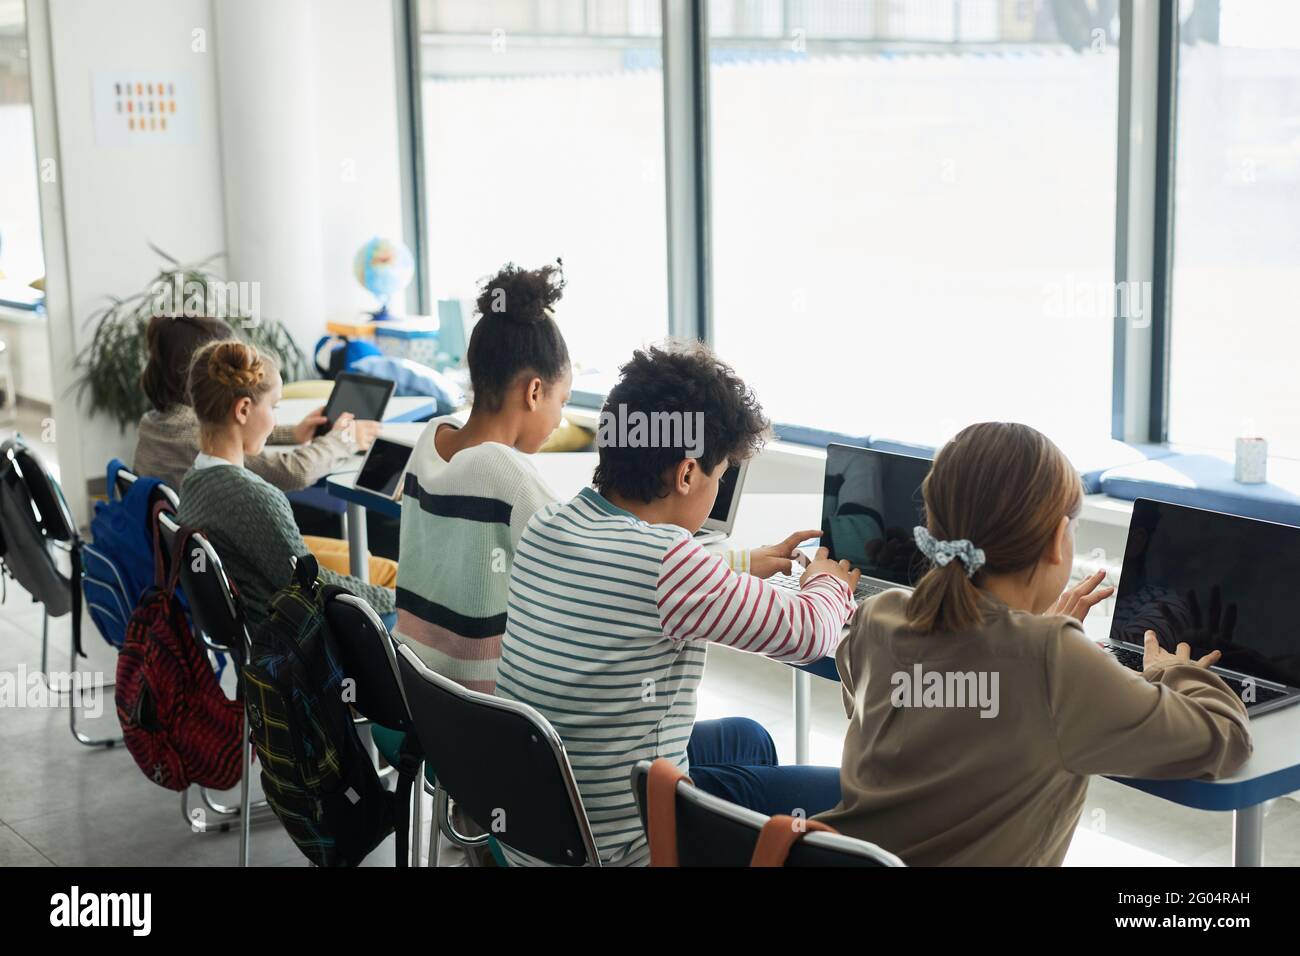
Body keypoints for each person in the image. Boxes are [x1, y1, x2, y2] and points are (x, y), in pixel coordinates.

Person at [815, 421, 1253, 866]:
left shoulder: (879, 614)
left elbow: (898, 703)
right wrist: (1173, 670)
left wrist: (1029, 634)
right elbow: (1226, 740)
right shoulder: (1052, 657)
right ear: (1056, 540)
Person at [494, 342, 859, 866]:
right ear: (687, 474)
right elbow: (810, 633)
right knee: (851, 797)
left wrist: (740, 561)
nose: (717, 488)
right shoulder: (668, 562)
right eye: (720, 474)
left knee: (749, 739)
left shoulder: (550, 523)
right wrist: (829, 582)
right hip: (627, 843)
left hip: (542, 826)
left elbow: (636, 576)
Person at [392, 261, 571, 693]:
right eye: (561, 401)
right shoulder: (505, 472)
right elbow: (587, 560)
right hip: (480, 708)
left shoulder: (430, 439)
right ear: (533, 392)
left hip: (413, 685)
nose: (561, 419)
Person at [175, 340, 396, 626]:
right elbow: (314, 586)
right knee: (398, 603)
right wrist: (394, 602)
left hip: (262, 633)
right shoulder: (256, 498)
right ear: (243, 409)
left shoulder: (194, 479)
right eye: (273, 407)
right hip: (298, 641)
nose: (274, 420)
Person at [133, 314, 380, 491]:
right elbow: (293, 471)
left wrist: (292, 433)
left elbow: (224, 428)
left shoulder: (153, 423)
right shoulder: (194, 442)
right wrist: (344, 440)